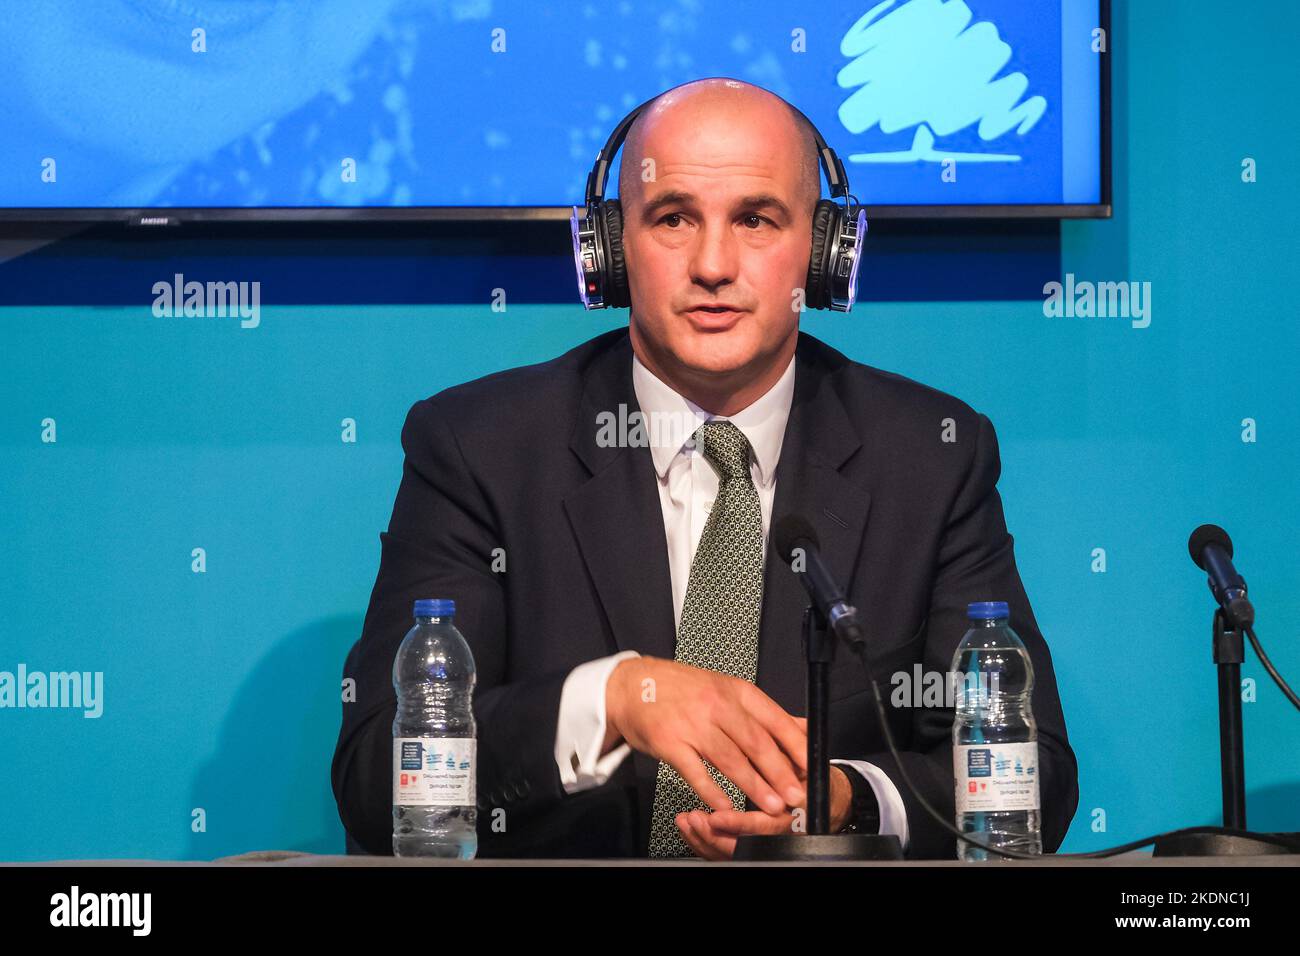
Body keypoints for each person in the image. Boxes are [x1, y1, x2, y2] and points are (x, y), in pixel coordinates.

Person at [331, 77, 1079, 859]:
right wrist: (612, 700)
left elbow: (1037, 781)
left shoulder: (930, 457)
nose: (713, 264)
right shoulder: (478, 447)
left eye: (756, 219)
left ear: (824, 253)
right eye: (674, 218)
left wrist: (851, 801)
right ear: (612, 250)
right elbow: (373, 775)